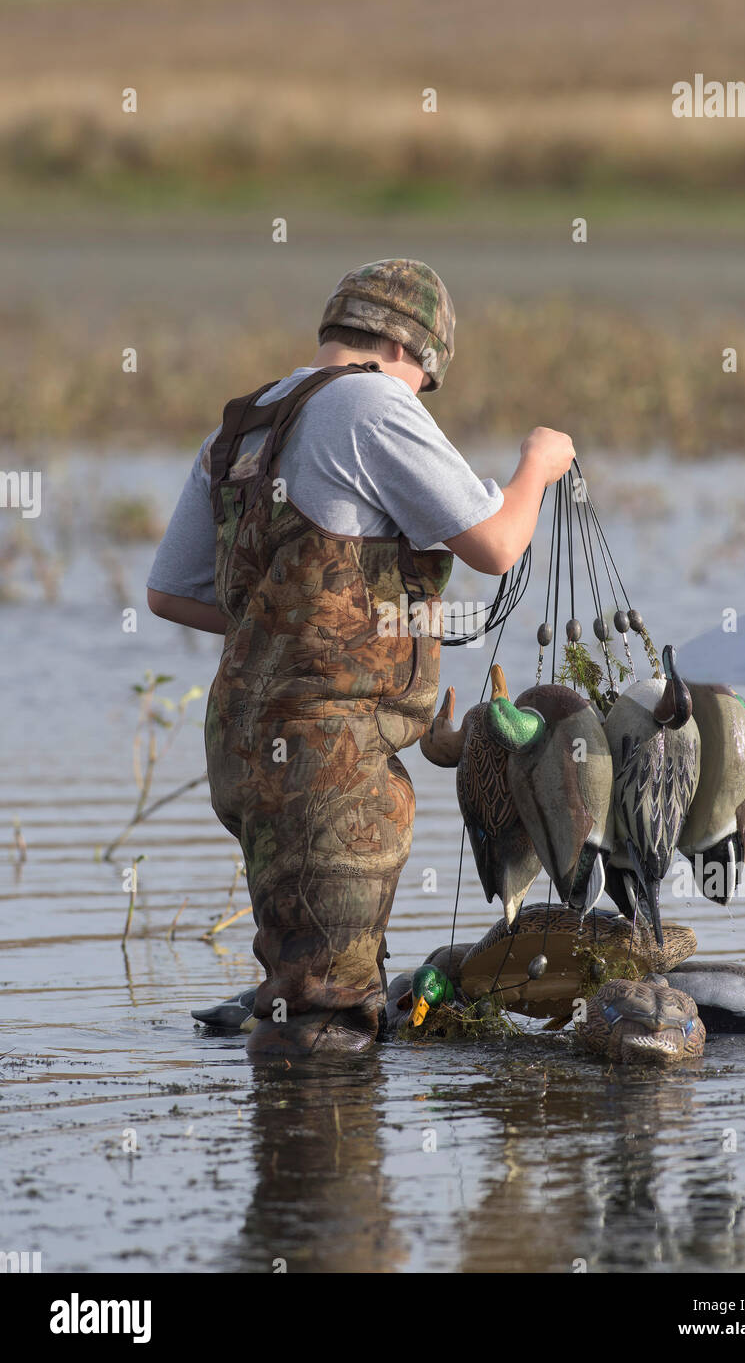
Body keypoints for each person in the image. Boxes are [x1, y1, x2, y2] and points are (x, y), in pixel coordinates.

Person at [147, 259, 574, 1057]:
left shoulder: (239, 426)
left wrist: (331, 620)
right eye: (425, 387)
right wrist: (537, 465)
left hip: (247, 748)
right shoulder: (373, 400)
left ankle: (305, 1159)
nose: (417, 402)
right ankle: (316, 1163)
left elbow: (172, 594)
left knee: (314, 973)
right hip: (330, 761)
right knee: (326, 1018)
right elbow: (496, 544)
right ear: (410, 352)